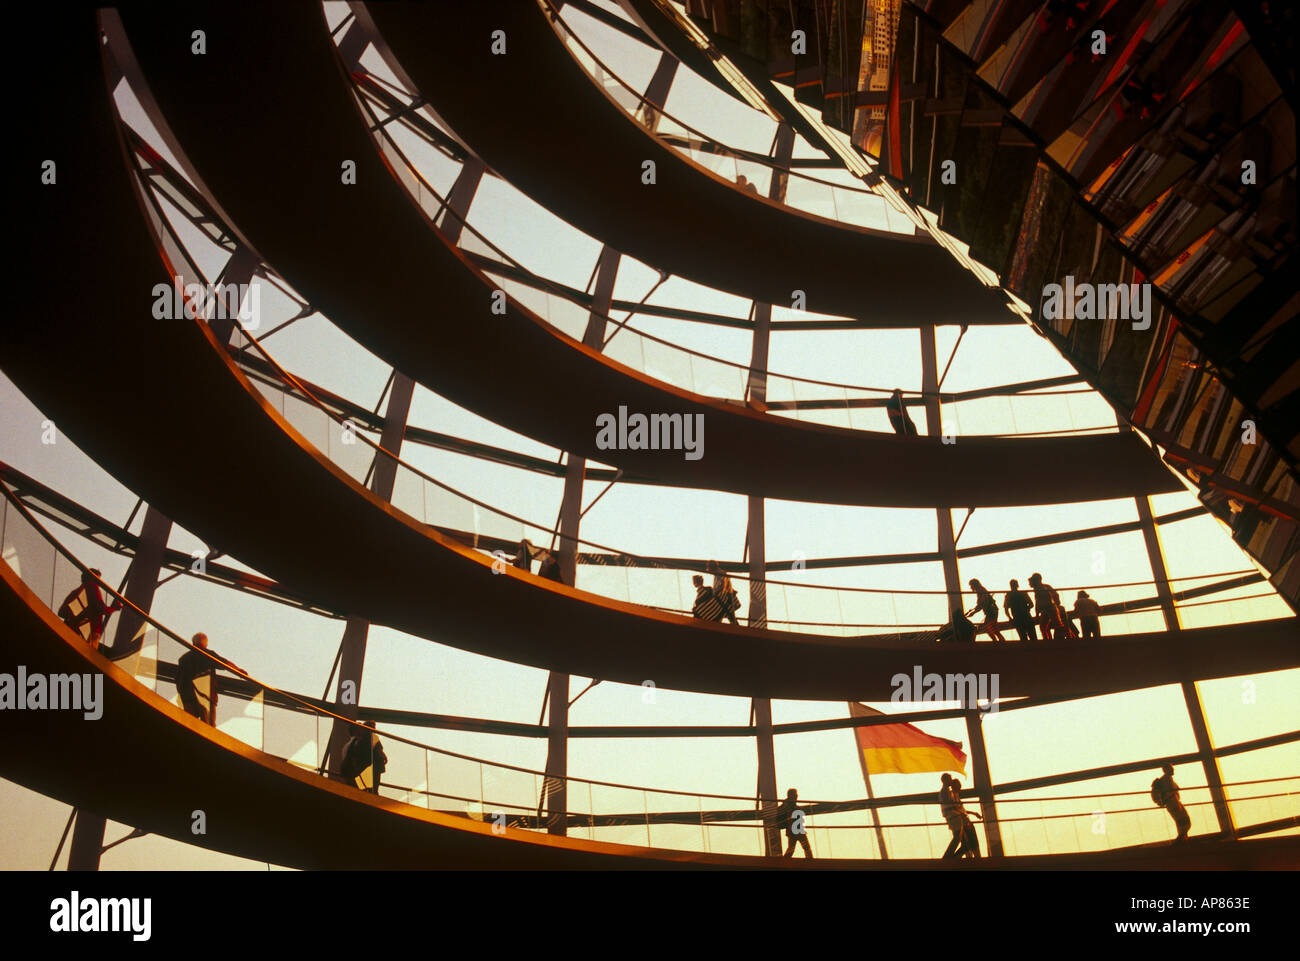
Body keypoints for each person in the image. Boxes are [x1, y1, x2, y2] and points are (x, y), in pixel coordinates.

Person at [176, 632, 242, 725]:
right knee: (208, 727)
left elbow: (179, 680)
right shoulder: (208, 655)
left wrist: (182, 696)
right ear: (206, 643)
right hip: (206, 697)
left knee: (188, 725)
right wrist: (238, 670)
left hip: (189, 698)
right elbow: (224, 663)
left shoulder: (184, 659)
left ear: (193, 642)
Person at [57, 568, 121, 652]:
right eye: (98, 580)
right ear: (93, 578)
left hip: (72, 630)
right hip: (89, 633)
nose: (99, 584)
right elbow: (101, 609)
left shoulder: (76, 592)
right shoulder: (92, 586)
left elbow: (61, 613)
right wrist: (114, 608)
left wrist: (76, 618)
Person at [939, 774, 982, 859]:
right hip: (957, 819)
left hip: (957, 818)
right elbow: (952, 807)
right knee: (961, 839)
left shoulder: (948, 792)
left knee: (964, 841)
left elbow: (954, 807)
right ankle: (949, 858)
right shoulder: (947, 792)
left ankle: (951, 858)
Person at [342, 720, 388, 794]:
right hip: (365, 771)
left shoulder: (352, 744)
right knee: (371, 790)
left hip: (356, 772)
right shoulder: (365, 741)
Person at [1028, 573, 1075, 641]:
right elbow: (1039, 601)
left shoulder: (1041, 588)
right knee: (1047, 626)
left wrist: (1038, 612)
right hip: (1048, 609)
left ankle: (1069, 637)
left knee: (1056, 625)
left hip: (1049, 608)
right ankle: (1050, 640)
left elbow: (1039, 601)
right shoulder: (1041, 587)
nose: (1030, 583)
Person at [1151, 763, 1191, 842]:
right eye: (1171, 768)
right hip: (1173, 803)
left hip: (1174, 802)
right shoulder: (1165, 780)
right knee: (1182, 820)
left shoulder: (1167, 779)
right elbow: (1172, 791)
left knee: (1182, 819)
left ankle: (1183, 837)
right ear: (1166, 770)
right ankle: (1182, 838)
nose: (1173, 770)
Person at [777, 787, 813, 858]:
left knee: (792, 848)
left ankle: (784, 862)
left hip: (794, 829)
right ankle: (811, 862)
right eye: (795, 795)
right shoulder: (788, 805)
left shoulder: (788, 805)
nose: (797, 796)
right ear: (791, 796)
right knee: (805, 847)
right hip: (795, 829)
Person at [707, 561, 741, 625]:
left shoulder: (720, 573)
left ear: (712, 567)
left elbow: (721, 585)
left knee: (725, 612)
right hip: (725, 596)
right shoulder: (719, 573)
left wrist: (715, 593)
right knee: (728, 613)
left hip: (724, 597)